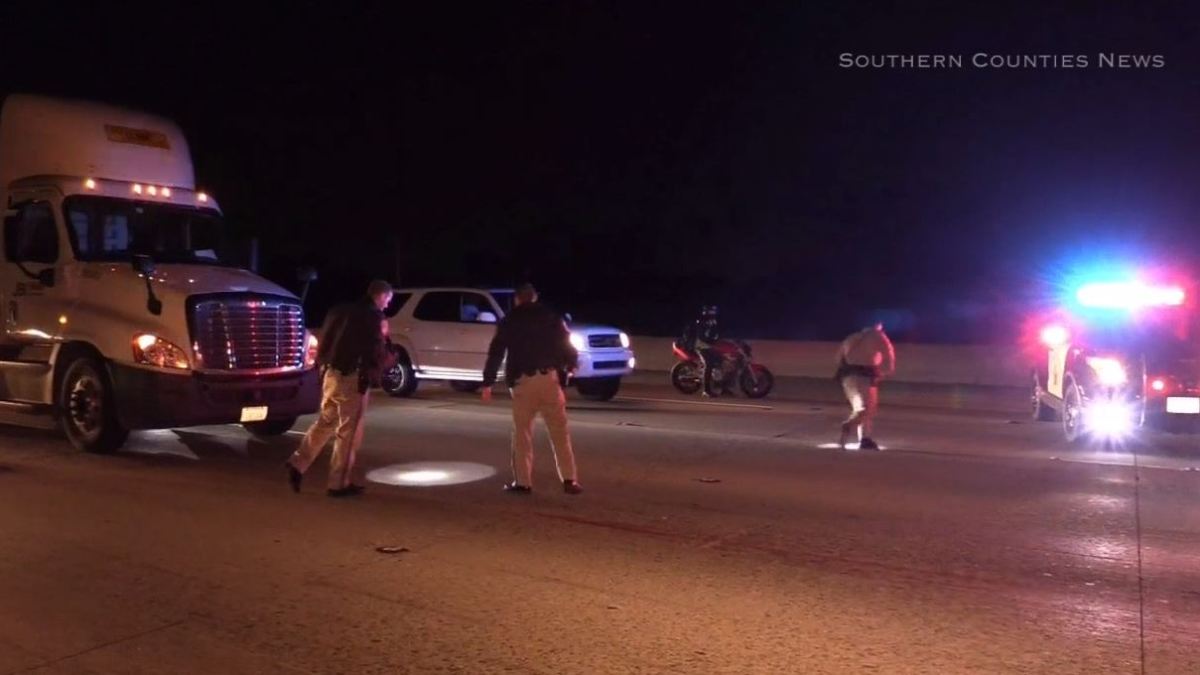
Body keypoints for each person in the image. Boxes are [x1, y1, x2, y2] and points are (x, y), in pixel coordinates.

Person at [286, 280, 393, 497]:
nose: (387, 305)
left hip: (331, 374)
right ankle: (338, 483)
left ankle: (298, 462)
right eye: (388, 300)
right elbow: (375, 350)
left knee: (325, 422)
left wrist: (323, 368)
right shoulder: (374, 317)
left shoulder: (338, 311)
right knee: (349, 432)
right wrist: (386, 363)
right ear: (381, 296)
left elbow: (324, 342)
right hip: (353, 378)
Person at [481, 283, 582, 495]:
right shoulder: (551, 316)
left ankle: (523, 482)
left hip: (523, 383)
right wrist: (571, 365)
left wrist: (488, 382)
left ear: (517, 299)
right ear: (534, 298)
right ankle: (570, 479)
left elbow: (496, 352)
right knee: (560, 432)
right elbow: (566, 343)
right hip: (549, 380)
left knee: (522, 434)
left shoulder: (510, 320)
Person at [835, 322, 895, 450]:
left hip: (847, 377)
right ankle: (850, 426)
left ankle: (864, 439)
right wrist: (885, 372)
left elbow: (838, 358)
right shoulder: (878, 336)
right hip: (865, 376)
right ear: (878, 325)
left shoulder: (852, 337)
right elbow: (889, 356)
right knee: (867, 409)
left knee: (860, 408)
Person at [680, 305, 724, 396]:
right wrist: (712, 340)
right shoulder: (702, 322)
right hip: (700, 346)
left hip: (708, 346)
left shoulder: (712, 321)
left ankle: (721, 385)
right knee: (709, 365)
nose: (714, 313)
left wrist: (718, 339)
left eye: (714, 312)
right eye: (712, 311)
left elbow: (715, 333)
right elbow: (702, 336)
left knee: (721, 359)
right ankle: (706, 390)